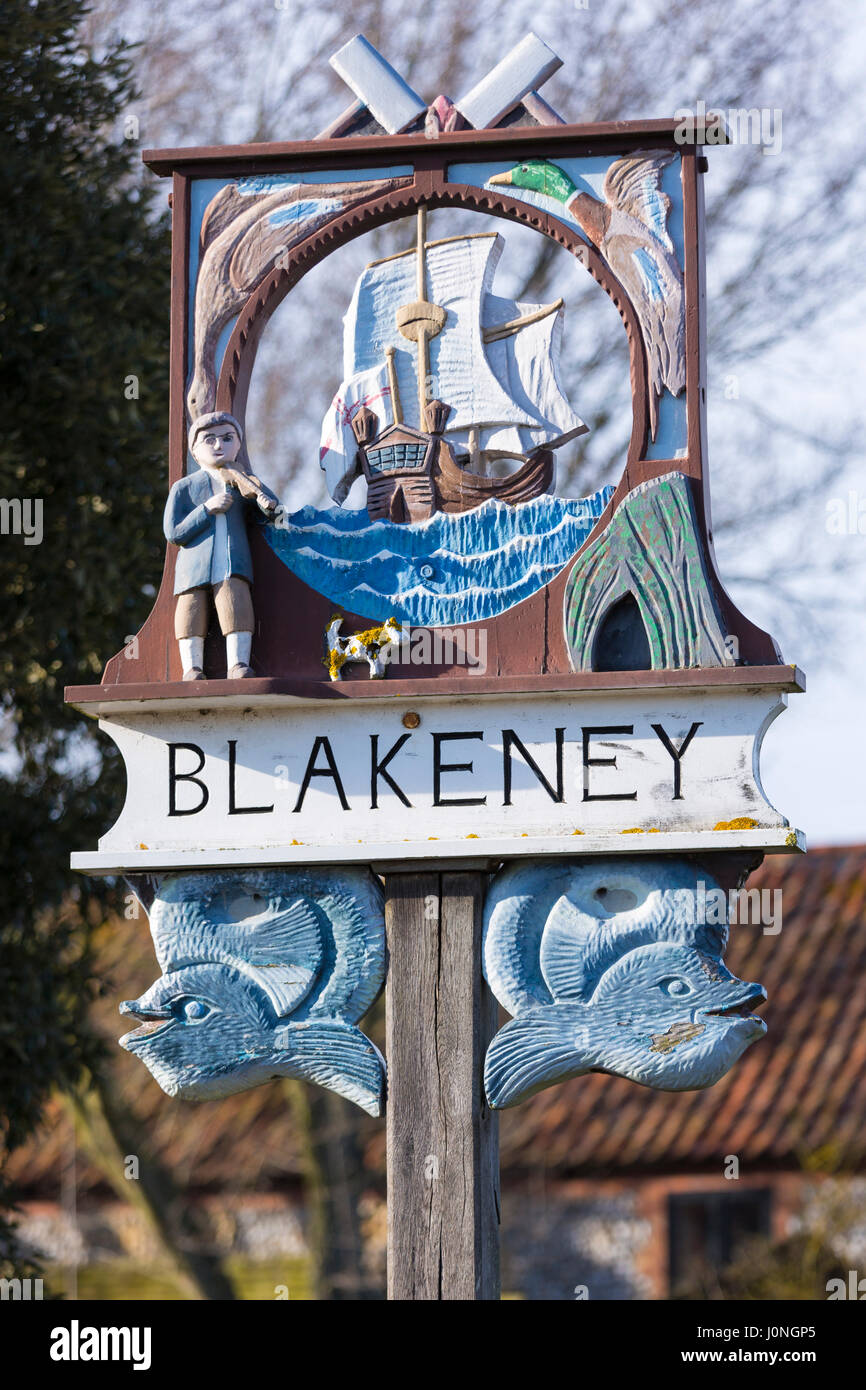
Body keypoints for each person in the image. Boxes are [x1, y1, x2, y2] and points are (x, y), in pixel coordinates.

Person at [164, 411, 279, 680]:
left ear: (238, 445)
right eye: (210, 440)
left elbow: (274, 514)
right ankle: (192, 668)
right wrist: (206, 509)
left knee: (237, 607)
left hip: (232, 563)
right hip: (194, 567)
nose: (219, 445)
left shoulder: (241, 483)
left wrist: (258, 491)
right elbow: (173, 532)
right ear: (195, 450)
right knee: (190, 612)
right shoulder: (184, 488)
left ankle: (237, 664)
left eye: (227, 439)